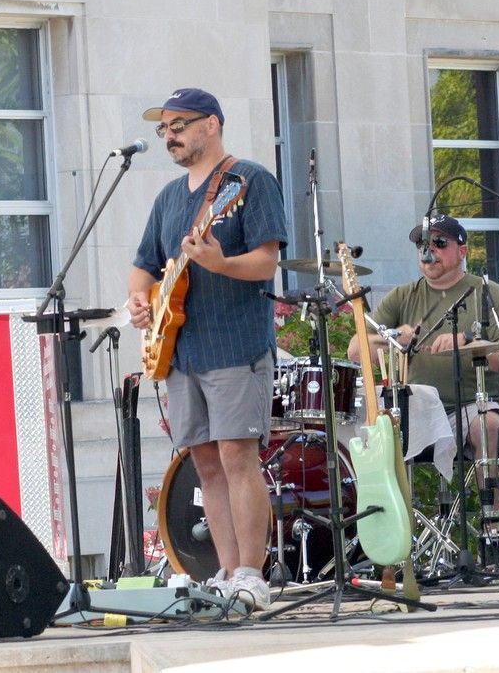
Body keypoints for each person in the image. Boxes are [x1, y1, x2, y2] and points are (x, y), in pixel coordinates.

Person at [127, 88, 288, 610]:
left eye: (178, 125)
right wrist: (138, 300)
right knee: (204, 463)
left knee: (237, 456)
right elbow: (144, 266)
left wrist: (221, 264)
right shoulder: (169, 198)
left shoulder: (249, 181)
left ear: (211, 124)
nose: (169, 135)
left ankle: (252, 576)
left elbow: (267, 261)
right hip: (182, 350)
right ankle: (226, 572)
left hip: (235, 343)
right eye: (164, 128)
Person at [347, 214, 499, 508]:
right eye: (422, 244)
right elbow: (355, 350)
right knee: (375, 428)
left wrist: (469, 344)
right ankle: (393, 517)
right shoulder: (403, 296)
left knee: (487, 424)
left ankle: (494, 516)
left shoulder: (488, 293)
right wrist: (393, 337)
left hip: (471, 406)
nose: (428, 250)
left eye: (439, 243)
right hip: (416, 410)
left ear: (463, 251)